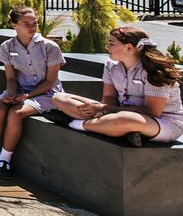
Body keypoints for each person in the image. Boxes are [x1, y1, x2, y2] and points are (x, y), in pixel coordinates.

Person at [51, 26, 183, 147]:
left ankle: (73, 123)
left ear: (129, 47)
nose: (106, 47)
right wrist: (104, 111)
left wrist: (105, 109)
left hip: (160, 122)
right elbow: (109, 96)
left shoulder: (154, 70)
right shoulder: (111, 65)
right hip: (118, 112)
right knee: (59, 98)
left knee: (126, 119)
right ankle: (116, 129)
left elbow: (152, 111)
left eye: (111, 43)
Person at [0, 6, 64, 179]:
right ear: (14, 25)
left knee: (16, 113)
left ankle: (4, 160)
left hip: (46, 93)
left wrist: (27, 97)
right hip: (20, 89)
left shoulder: (50, 47)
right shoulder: (7, 46)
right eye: (26, 24)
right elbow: (11, 79)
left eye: (35, 23)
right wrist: (11, 93)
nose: (32, 27)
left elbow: (50, 81)